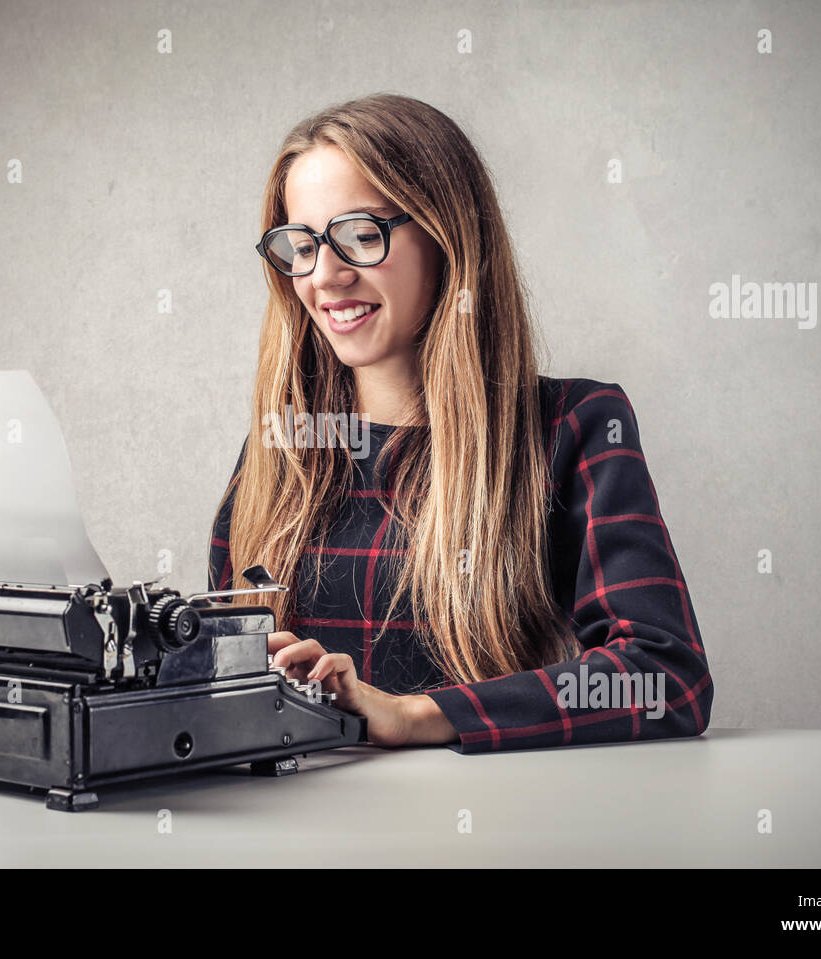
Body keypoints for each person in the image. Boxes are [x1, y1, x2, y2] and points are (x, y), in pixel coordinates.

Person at [208, 93, 713, 753]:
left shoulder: (573, 429)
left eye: (361, 234)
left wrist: (414, 715)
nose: (325, 276)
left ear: (447, 236)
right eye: (300, 245)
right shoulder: (281, 449)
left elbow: (664, 678)